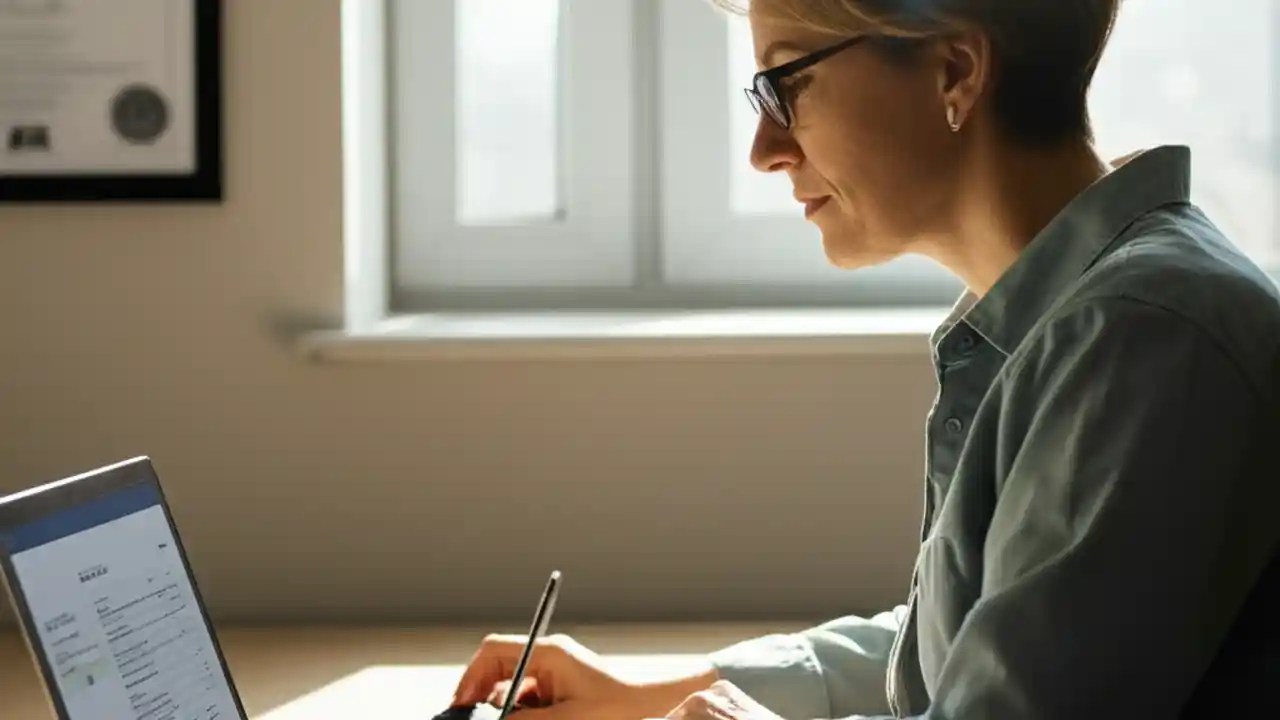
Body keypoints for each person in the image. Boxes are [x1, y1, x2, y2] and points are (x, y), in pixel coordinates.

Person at [449, 0, 1280, 717]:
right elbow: (968, 648)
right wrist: (650, 696)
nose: (765, 149)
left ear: (955, 71)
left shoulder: (1142, 342)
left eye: (789, 85)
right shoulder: (1084, 321)